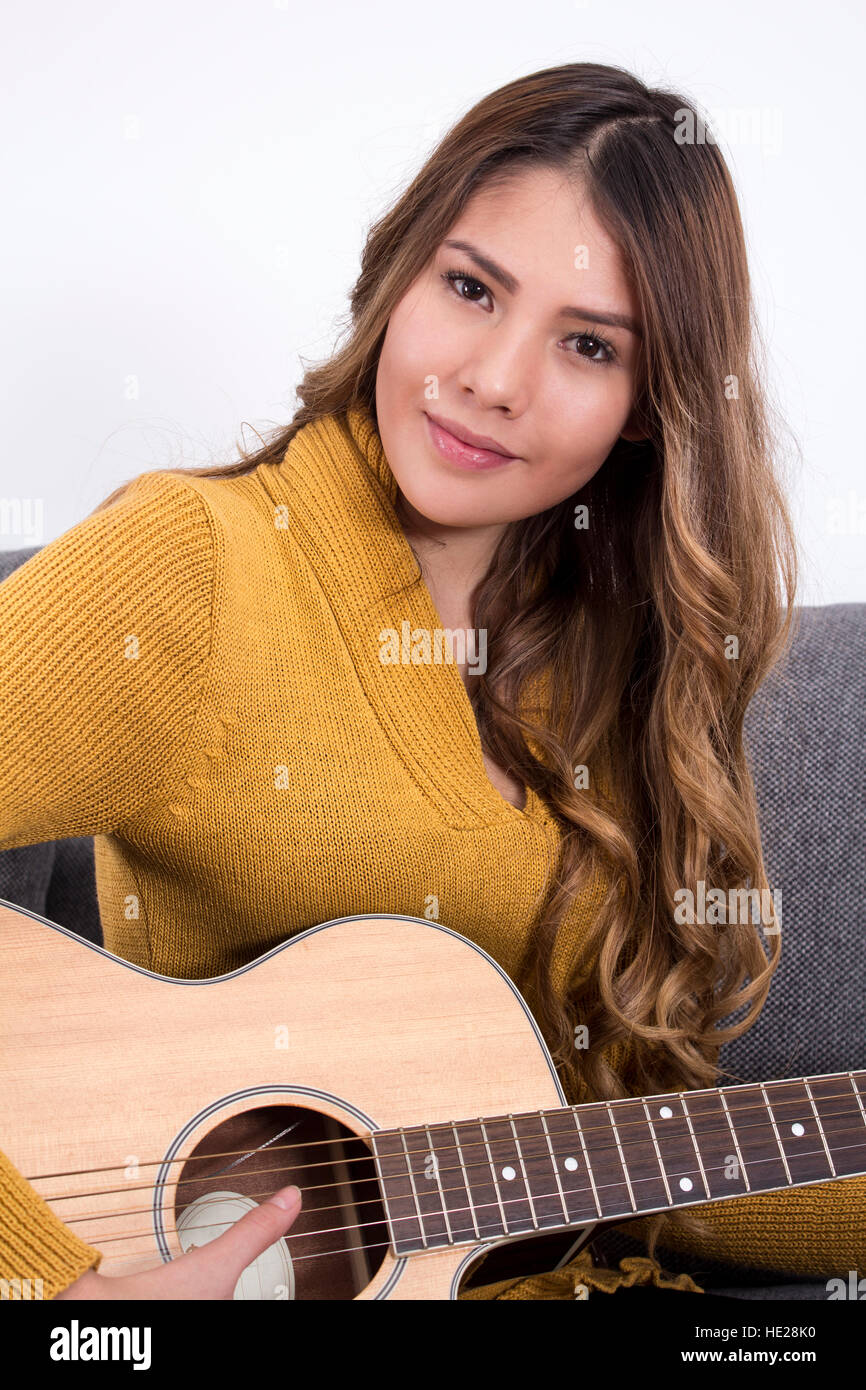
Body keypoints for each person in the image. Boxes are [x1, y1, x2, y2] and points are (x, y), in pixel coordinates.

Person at [1, 60, 863, 1302]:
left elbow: (618, 1165)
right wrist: (60, 1292)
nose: (493, 379)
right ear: (400, 275)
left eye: (584, 344)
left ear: (644, 404)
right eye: (470, 288)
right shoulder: (190, 566)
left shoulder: (615, 656)